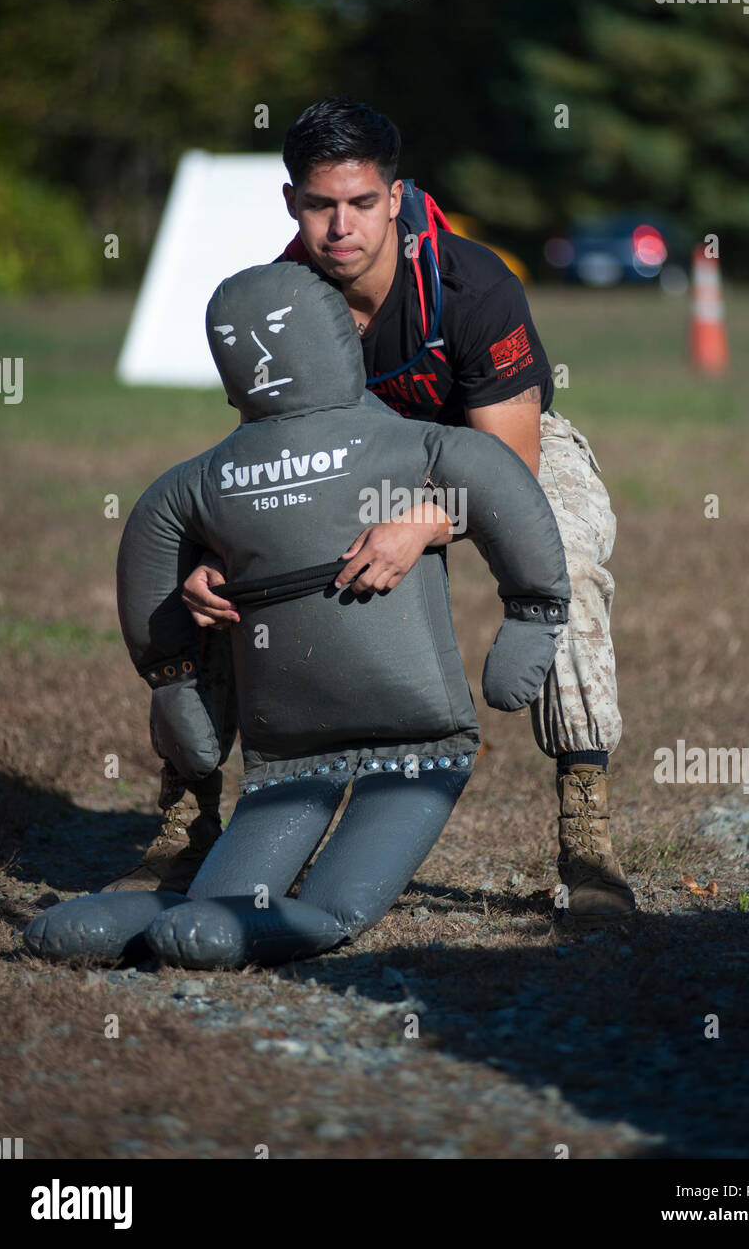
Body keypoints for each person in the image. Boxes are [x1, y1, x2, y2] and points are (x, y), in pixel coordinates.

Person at [104, 95, 631, 919]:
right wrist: (222, 551)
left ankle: (585, 834)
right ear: (291, 203)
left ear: (393, 197)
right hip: (346, 468)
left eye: (359, 202)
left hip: (491, 447)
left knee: (563, 540)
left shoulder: (472, 283)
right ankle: (187, 822)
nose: (339, 226)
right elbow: (260, 459)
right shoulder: (275, 301)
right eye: (318, 205)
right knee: (209, 577)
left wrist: (422, 519)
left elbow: (509, 466)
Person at [26, 260, 569, 967]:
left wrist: (529, 612)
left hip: (407, 739)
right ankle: (184, 911)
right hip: (295, 751)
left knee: (331, 899)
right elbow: (154, 554)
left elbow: (503, 482)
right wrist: (174, 677)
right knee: (223, 897)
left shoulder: (383, 437)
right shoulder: (225, 478)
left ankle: (253, 919)